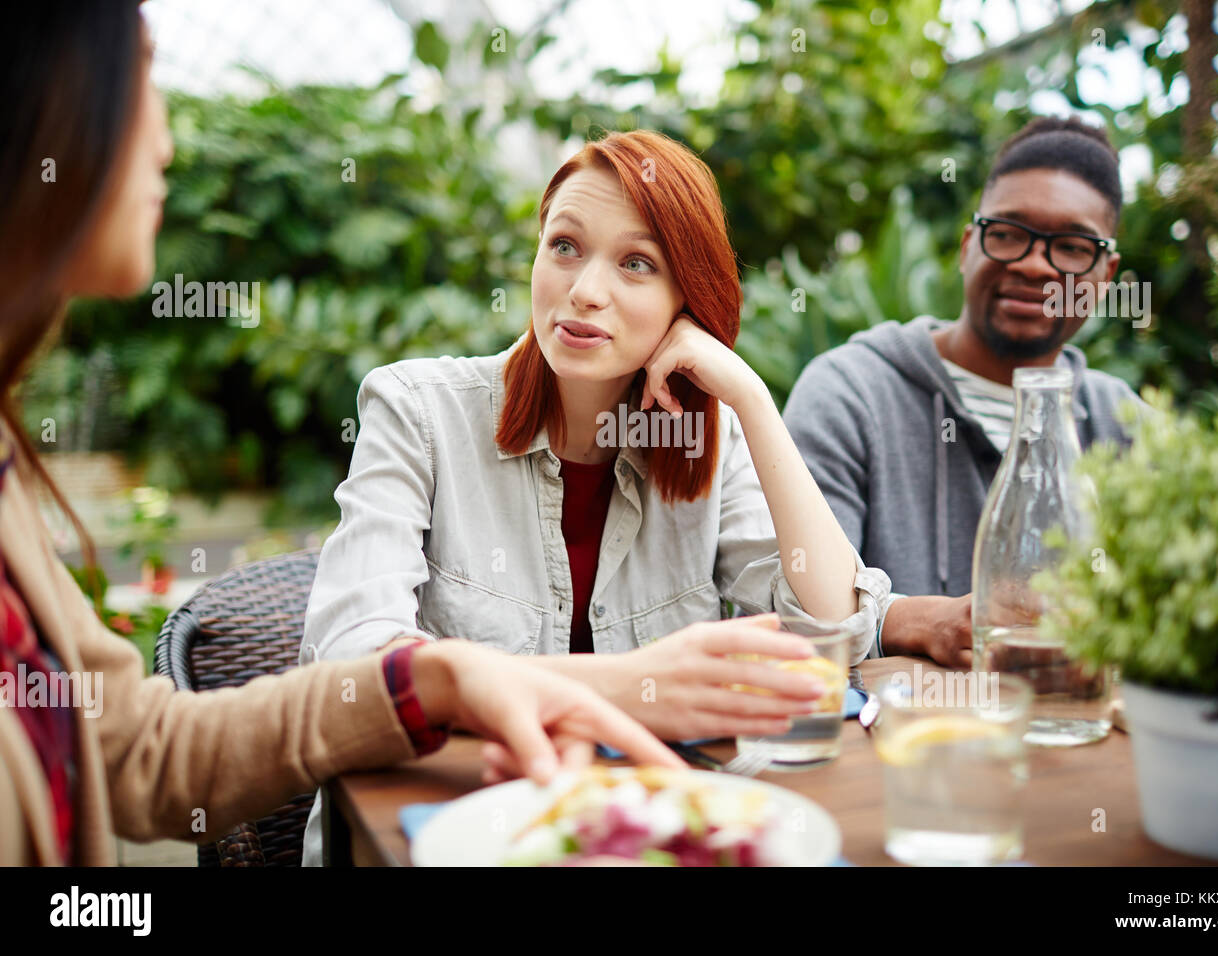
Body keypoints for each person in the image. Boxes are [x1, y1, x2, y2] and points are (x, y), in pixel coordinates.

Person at [0, 0, 685, 867]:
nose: (166, 139)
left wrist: (432, 680)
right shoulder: (419, 407)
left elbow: (136, 754)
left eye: (638, 263)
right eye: (140, 73)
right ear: (41, 92)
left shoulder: (6, 477)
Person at [298, 128, 892, 862]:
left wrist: (751, 400)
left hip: (637, 830)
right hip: (453, 827)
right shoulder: (417, 410)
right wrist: (633, 685)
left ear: (688, 302)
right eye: (566, 246)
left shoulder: (705, 444)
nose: (583, 290)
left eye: (637, 263)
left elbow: (832, 630)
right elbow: (350, 670)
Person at [784, 117, 1142, 668]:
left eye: (1071, 247)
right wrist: (920, 622)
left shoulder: (1123, 425)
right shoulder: (850, 395)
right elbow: (790, 616)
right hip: (900, 745)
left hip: (1085, 740)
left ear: (1106, 273)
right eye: (1008, 233)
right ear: (967, 244)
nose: (1032, 264)